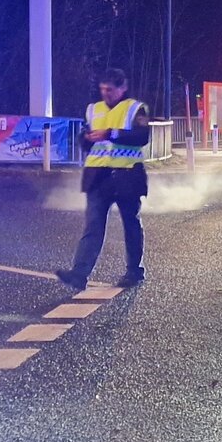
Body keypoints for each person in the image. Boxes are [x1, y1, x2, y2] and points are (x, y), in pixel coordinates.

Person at [57, 69, 151, 290]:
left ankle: (134, 271)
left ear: (122, 88)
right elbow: (84, 141)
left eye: (110, 89)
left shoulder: (136, 108)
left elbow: (142, 137)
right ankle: (79, 274)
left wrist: (111, 133)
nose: (105, 93)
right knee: (93, 226)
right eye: (102, 89)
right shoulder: (93, 109)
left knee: (131, 225)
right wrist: (86, 138)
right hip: (98, 177)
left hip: (127, 175)